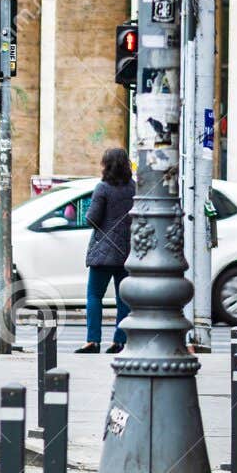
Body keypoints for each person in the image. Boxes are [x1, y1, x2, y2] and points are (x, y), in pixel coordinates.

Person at [75, 146, 136, 354]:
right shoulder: (133, 188)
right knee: (123, 299)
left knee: (94, 296)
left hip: (103, 252)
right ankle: (119, 341)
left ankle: (93, 341)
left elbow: (92, 218)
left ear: (106, 165)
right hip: (126, 251)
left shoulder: (102, 188)